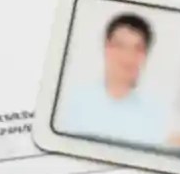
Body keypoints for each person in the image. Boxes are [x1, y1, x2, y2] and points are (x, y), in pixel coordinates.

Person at [55, 12, 168, 146]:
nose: (127, 57)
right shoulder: (73, 103)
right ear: (106, 48)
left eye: (137, 49)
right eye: (120, 46)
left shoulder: (154, 118)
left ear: (145, 56)